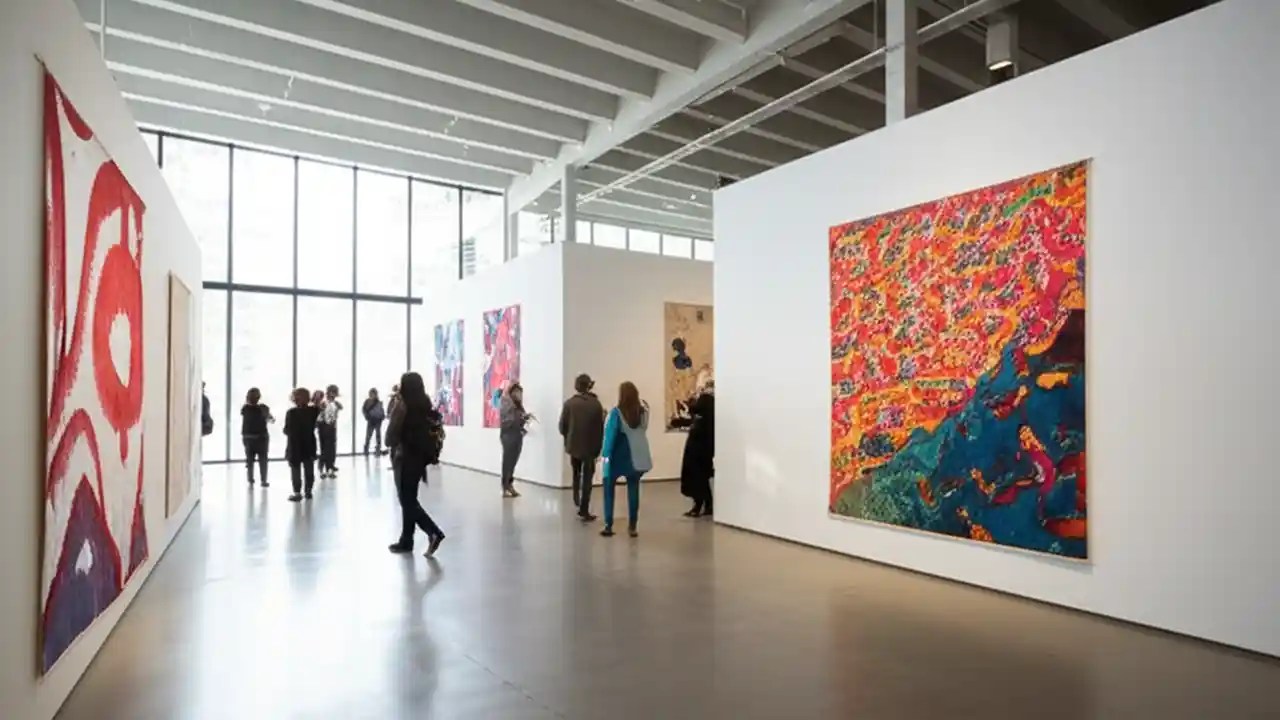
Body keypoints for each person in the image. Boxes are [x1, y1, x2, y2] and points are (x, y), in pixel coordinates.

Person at [386, 372, 446, 557]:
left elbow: (390, 436)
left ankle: (433, 532)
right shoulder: (425, 403)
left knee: (407, 500)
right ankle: (407, 540)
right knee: (409, 497)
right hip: (419, 458)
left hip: (403, 457)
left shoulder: (402, 405)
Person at [600, 382, 653, 538]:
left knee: (609, 490)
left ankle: (608, 525)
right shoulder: (642, 413)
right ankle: (632, 526)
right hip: (636, 458)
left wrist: (604, 458)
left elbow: (609, 439)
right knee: (633, 490)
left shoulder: (616, 414)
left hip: (616, 457)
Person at [559, 373, 604, 521]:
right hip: (591, 447)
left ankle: (576, 498)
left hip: (574, 445)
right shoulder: (596, 404)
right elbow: (600, 428)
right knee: (588, 478)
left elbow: (562, 427)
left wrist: (568, 438)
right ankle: (584, 508)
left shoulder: (569, 404)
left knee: (576, 473)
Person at [679, 382, 715, 517]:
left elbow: (694, 409)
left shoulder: (706, 400)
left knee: (697, 476)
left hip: (699, 448)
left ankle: (699, 505)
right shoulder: (709, 404)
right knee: (702, 477)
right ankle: (706, 505)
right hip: (703, 447)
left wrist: (693, 400)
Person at [283, 387, 320, 502]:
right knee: (309, 468)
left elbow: (286, 430)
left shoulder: (291, 413)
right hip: (309, 443)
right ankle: (308, 491)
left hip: (295, 445)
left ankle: (297, 492)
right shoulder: (314, 411)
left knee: (295, 469)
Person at [499, 382, 532, 498]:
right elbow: (507, 420)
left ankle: (510, 485)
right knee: (508, 462)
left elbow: (519, 418)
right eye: (518, 393)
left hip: (517, 435)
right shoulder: (506, 402)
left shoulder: (518, 405)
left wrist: (524, 418)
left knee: (513, 461)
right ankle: (505, 487)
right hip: (508, 435)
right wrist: (519, 418)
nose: (520, 395)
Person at [240, 388, 275, 487]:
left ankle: (251, 479)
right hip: (260, 437)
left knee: (250, 459)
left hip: (250, 437)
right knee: (262, 459)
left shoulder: (245, 408)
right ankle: (262, 480)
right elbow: (271, 419)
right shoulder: (262, 408)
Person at [317, 384, 342, 478]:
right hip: (324, 428)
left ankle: (329, 468)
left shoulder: (334, 403)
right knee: (325, 449)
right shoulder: (323, 402)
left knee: (331, 449)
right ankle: (323, 469)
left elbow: (340, 407)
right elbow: (320, 414)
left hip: (331, 428)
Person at [363, 388, 386, 456]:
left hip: (377, 420)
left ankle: (377, 449)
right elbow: (364, 410)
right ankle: (367, 449)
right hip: (372, 420)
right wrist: (367, 417)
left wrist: (382, 416)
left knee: (377, 435)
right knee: (369, 435)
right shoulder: (368, 402)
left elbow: (381, 410)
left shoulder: (378, 402)